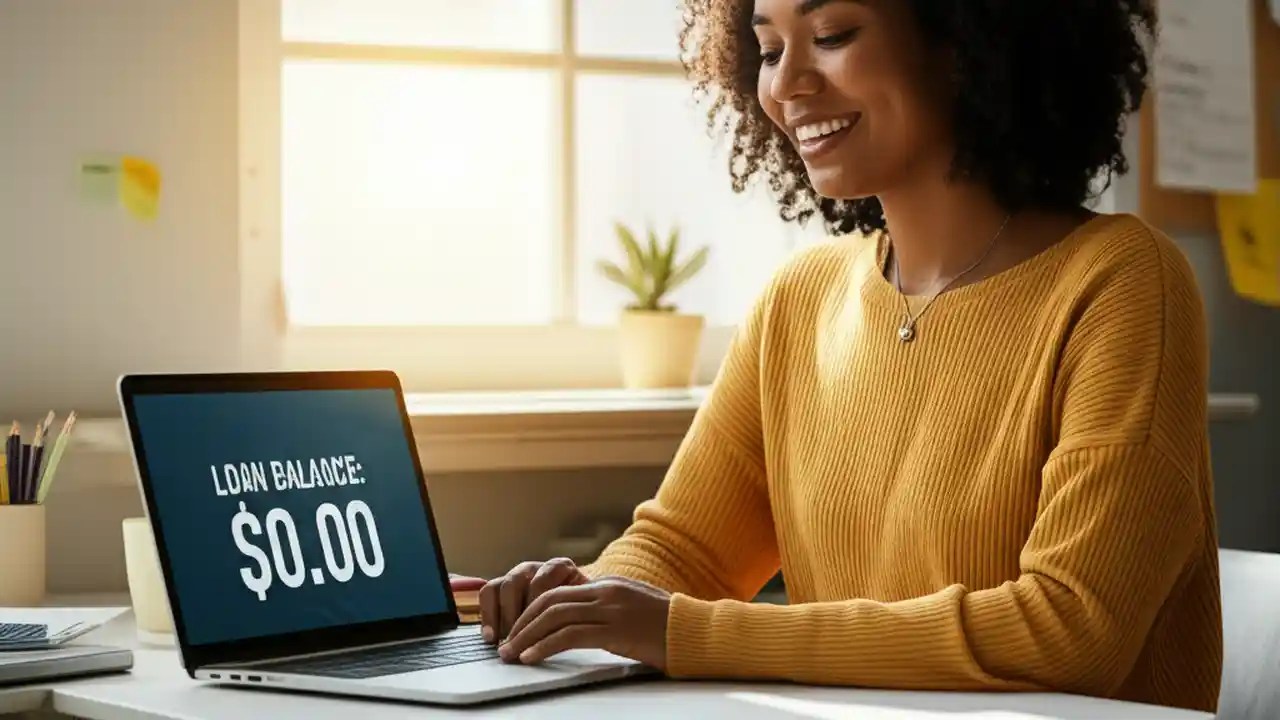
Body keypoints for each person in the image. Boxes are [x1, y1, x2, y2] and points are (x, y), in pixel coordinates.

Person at [453, 0, 1222, 712]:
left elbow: (1073, 628)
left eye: (832, 36)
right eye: (768, 49)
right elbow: (684, 552)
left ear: (964, 40)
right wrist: (569, 597)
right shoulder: (800, 298)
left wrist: (687, 632)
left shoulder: (1121, 282)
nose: (787, 83)